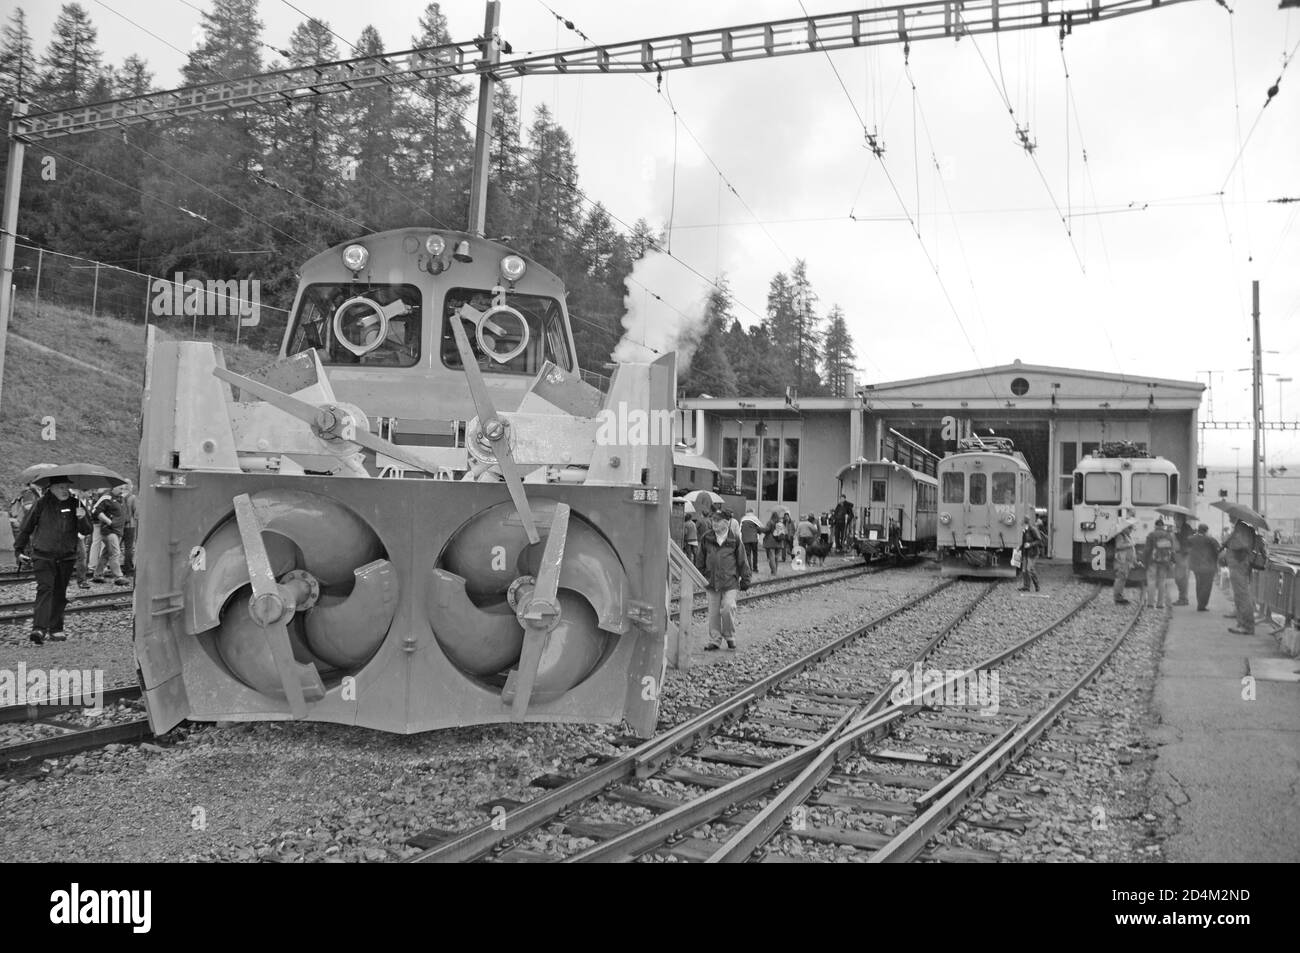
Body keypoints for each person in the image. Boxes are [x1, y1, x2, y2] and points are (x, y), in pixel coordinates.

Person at [13, 476, 92, 644]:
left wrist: (82, 517)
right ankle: (39, 629)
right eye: (61, 487)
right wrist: (18, 550)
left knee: (59, 592)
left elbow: (87, 530)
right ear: (52, 488)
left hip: (67, 556)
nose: (65, 490)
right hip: (43, 555)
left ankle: (56, 629)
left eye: (67, 487)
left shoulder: (75, 504)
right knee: (45, 590)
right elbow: (26, 527)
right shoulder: (41, 503)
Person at [695, 508, 750, 651]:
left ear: (726, 522)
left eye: (718, 521)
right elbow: (700, 558)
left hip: (729, 581)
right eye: (713, 520)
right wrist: (698, 575)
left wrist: (745, 578)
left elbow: (742, 560)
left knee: (728, 607)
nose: (714, 523)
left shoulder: (734, 539)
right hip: (711, 580)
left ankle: (730, 635)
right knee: (713, 612)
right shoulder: (707, 537)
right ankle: (715, 640)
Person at [1223, 518, 1262, 635]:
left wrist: (1229, 540)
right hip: (1239, 564)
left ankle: (1247, 626)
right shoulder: (1243, 527)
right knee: (1239, 595)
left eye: (1231, 514)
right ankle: (1241, 624)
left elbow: (1240, 545)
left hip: (1239, 564)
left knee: (1242, 595)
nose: (1229, 516)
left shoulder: (1242, 527)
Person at [90, 488, 129, 585]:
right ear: (114, 487)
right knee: (115, 553)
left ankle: (97, 575)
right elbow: (95, 510)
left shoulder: (121, 499)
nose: (122, 490)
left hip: (118, 531)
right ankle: (118, 576)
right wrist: (108, 521)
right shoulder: (106, 497)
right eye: (120, 487)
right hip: (109, 531)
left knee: (106, 554)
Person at [1144, 517, 1178, 610]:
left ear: (1155, 526)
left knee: (1151, 581)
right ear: (1163, 526)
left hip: (1152, 561)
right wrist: (1173, 561)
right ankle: (1160, 604)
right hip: (1164, 561)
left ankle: (1150, 604)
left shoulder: (1151, 535)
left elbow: (1147, 550)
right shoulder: (1168, 535)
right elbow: (1172, 549)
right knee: (1162, 582)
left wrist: (1144, 561)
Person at [1186, 523, 1221, 612]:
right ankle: (1202, 605)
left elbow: (1186, 549)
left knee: (1199, 584)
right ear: (1206, 531)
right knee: (1207, 586)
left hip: (1196, 566)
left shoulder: (1191, 539)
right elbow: (1218, 551)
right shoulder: (1210, 540)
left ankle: (1200, 603)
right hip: (1208, 567)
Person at [1112, 521, 1137, 604]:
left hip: (1126, 561)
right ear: (1125, 528)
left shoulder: (1127, 536)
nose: (1131, 530)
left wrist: (1134, 560)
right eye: (1129, 528)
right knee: (1120, 578)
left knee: (1122, 579)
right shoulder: (1120, 536)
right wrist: (1130, 544)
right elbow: (1119, 546)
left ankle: (1120, 596)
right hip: (1121, 561)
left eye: (1132, 528)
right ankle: (1117, 597)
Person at [1171, 513, 1193, 607]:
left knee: (1181, 578)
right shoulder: (1180, 528)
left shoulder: (1186, 529)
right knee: (1179, 578)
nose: (1175, 522)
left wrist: (1176, 535)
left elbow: (1185, 542)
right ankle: (1183, 598)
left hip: (1183, 555)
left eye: (1176, 519)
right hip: (1179, 555)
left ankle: (1183, 599)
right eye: (1175, 519)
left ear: (1181, 520)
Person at [1018, 515, 1043, 592]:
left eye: (1021, 522)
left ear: (1025, 523)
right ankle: (1026, 586)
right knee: (1024, 570)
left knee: (1030, 569)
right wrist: (1019, 547)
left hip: (1033, 553)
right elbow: (1025, 542)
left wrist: (1030, 544)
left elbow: (1039, 540)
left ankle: (1037, 586)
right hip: (1026, 552)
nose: (1020, 523)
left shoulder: (1032, 529)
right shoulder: (1025, 531)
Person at [119, 480, 138, 574]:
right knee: (128, 547)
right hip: (130, 525)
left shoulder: (119, 496)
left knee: (116, 546)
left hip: (119, 525)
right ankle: (128, 568)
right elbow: (136, 513)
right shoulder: (133, 497)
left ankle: (113, 567)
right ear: (130, 486)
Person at [763, 510, 785, 575]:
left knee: (771, 557)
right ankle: (775, 571)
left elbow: (766, 530)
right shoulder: (780, 523)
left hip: (771, 542)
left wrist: (760, 529)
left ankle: (774, 571)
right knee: (776, 557)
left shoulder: (770, 522)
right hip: (779, 542)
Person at [740, 508, 762, 573]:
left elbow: (740, 529)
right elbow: (760, 528)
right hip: (754, 540)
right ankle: (755, 568)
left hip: (745, 540)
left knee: (747, 554)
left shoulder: (743, 519)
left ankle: (749, 568)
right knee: (755, 554)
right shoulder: (755, 519)